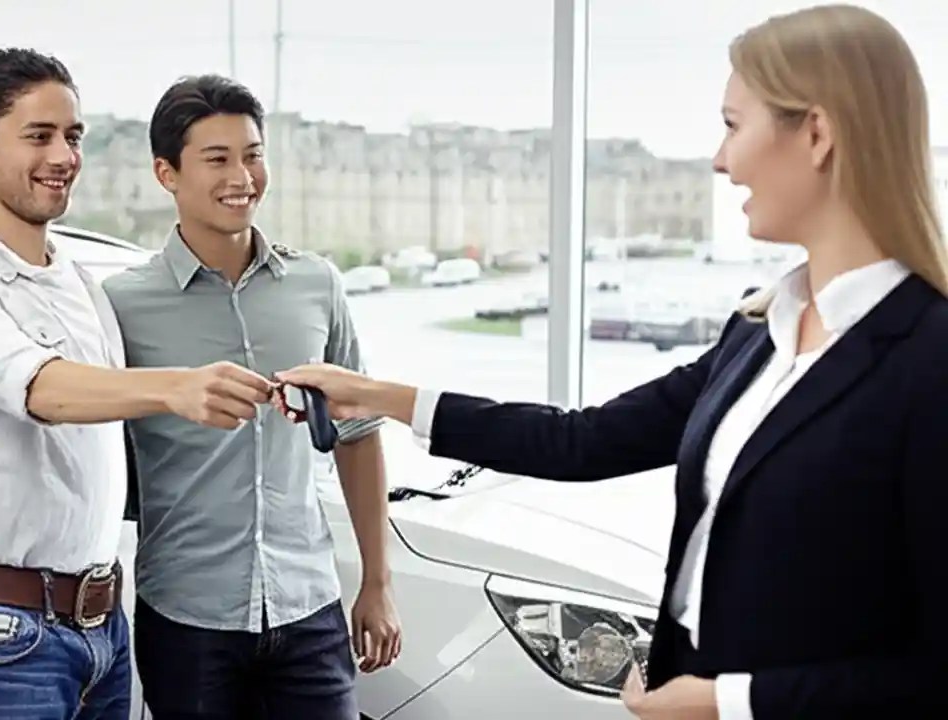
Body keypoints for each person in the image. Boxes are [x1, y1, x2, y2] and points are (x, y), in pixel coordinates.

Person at [273, 5, 948, 720]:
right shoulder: (759, 334)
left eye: (731, 125)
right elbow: (583, 439)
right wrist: (378, 395)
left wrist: (730, 702)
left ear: (816, 133)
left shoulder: (929, 361)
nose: (721, 161)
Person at [0, 74, 401, 719]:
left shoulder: (78, 285)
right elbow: (40, 388)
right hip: (37, 630)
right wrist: (181, 387)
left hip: (114, 627)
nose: (63, 155)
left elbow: (58, 419)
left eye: (72, 136)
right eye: (39, 136)